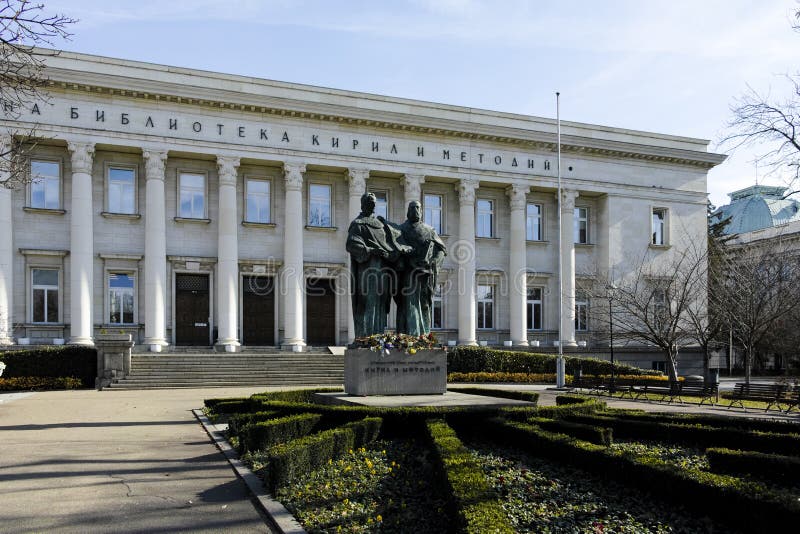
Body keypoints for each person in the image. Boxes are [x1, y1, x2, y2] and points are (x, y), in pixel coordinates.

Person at [346, 193, 410, 338]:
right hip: (368, 271)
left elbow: (391, 243)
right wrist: (370, 250)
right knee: (368, 303)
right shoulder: (358, 224)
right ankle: (366, 338)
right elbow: (352, 244)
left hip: (384, 270)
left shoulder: (381, 224)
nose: (373, 205)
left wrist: (399, 250)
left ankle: (378, 337)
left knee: (381, 303)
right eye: (370, 202)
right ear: (363, 204)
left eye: (374, 202)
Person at [395, 200, 447, 336]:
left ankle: (423, 335)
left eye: (418, 208)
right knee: (408, 304)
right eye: (412, 208)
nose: (415, 210)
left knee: (424, 304)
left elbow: (441, 250)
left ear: (422, 211)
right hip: (408, 273)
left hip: (425, 274)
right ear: (408, 212)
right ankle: (409, 336)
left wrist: (433, 262)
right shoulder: (400, 230)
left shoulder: (429, 230)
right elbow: (395, 250)